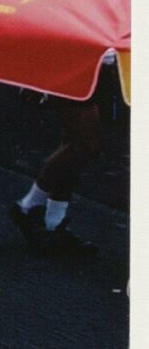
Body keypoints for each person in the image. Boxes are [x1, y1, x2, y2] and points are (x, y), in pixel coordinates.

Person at [11, 88, 107, 259]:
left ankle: (53, 221)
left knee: (75, 141)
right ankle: (29, 206)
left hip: (98, 67)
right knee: (85, 144)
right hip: (76, 70)